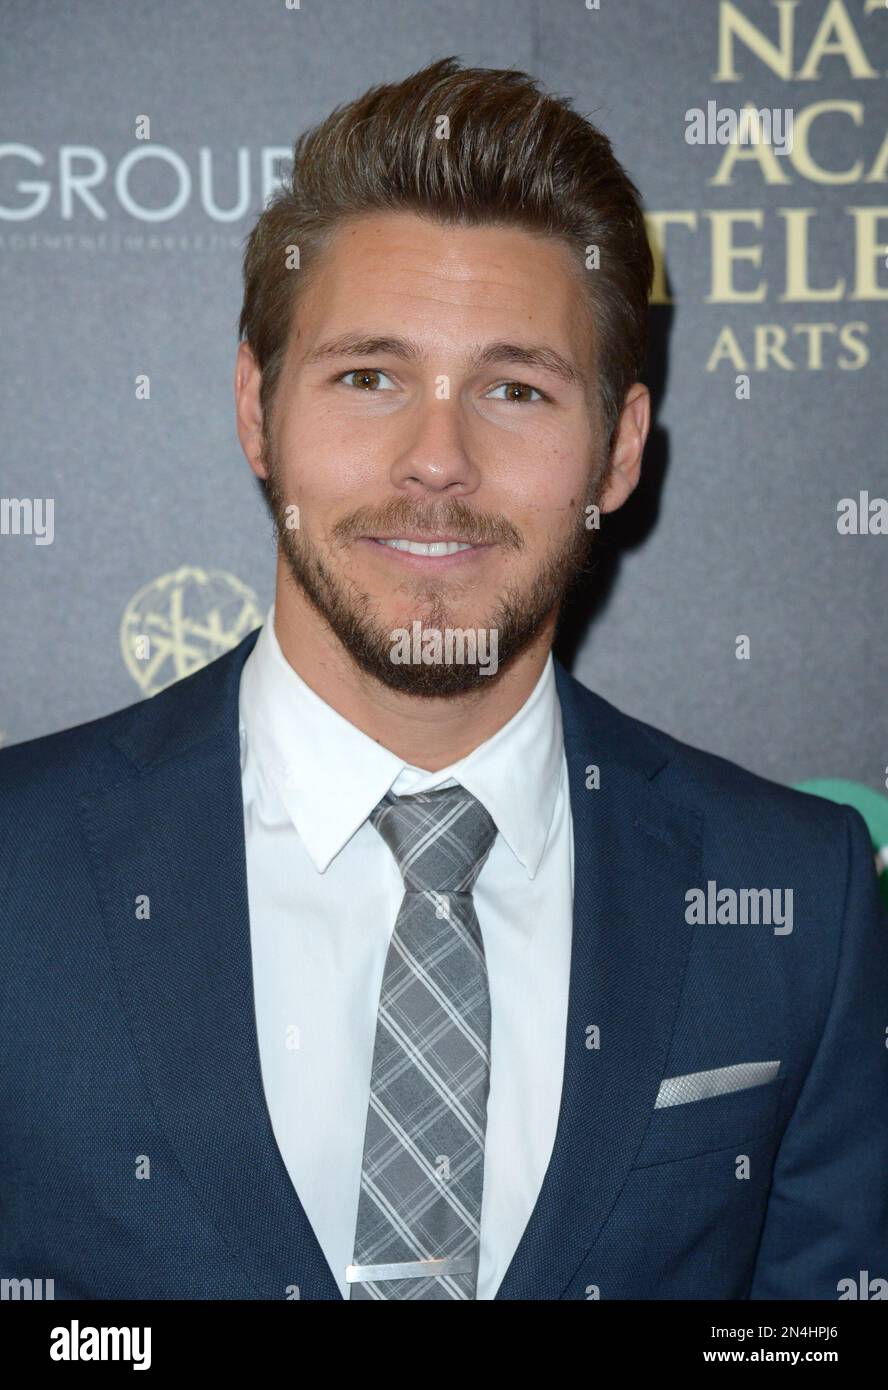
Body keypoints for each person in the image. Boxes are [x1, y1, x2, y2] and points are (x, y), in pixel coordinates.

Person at [1, 57, 885, 1302]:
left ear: (618, 450)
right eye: (369, 376)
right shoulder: (19, 866)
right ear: (257, 407)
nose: (437, 459)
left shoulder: (796, 896)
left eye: (515, 389)